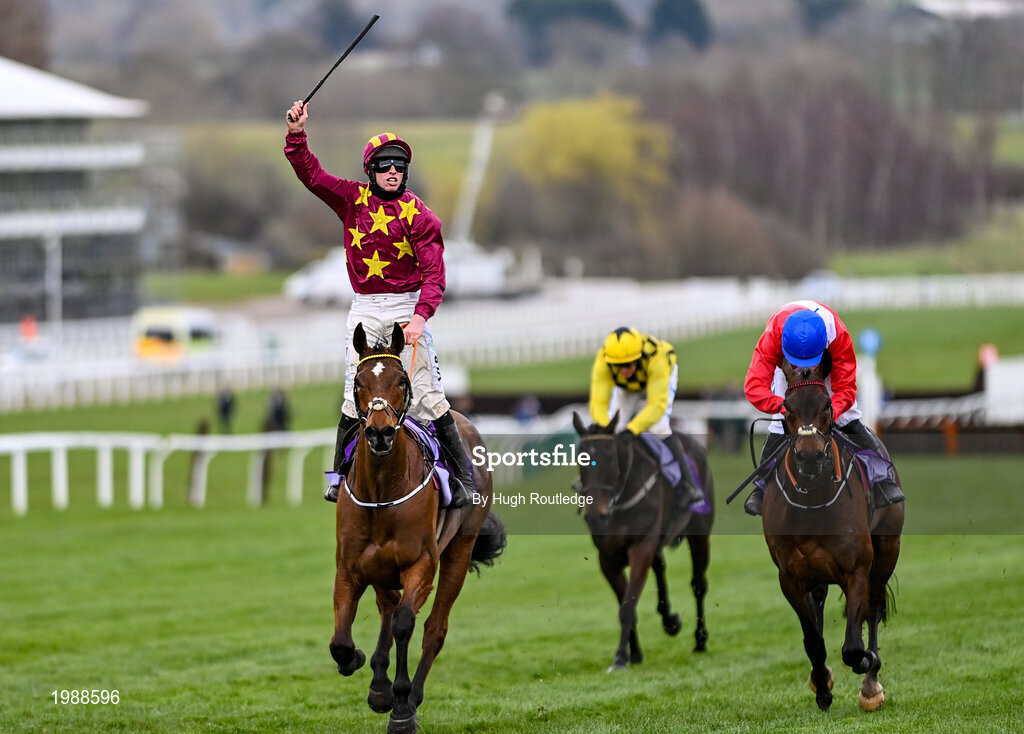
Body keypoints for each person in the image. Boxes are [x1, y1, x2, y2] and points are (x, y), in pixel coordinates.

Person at [284, 100, 475, 508]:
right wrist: (297, 134)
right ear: (371, 170)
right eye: (385, 167)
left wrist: (420, 319)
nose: (393, 173)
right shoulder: (351, 199)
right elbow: (312, 176)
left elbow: (435, 277)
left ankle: (466, 482)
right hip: (365, 309)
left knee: (427, 396)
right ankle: (339, 477)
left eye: (399, 167)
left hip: (407, 308)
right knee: (354, 399)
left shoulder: (421, 217)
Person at [742, 300, 905, 516]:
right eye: (797, 361)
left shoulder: (836, 333)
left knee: (849, 417)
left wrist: (831, 412)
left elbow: (846, 388)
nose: (803, 367)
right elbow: (754, 387)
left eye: (808, 361)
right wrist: (784, 409)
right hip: (786, 373)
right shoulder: (773, 334)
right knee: (777, 424)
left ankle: (881, 479)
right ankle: (761, 486)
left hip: (827, 367)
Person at [588, 327, 702, 510]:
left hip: (659, 379)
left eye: (629, 364)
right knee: (612, 430)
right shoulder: (603, 360)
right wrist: (605, 430)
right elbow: (598, 402)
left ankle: (690, 485)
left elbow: (656, 406)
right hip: (627, 389)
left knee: (658, 427)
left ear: (639, 357)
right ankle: (611, 485)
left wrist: (632, 429)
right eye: (618, 366)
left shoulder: (657, 358)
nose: (624, 370)